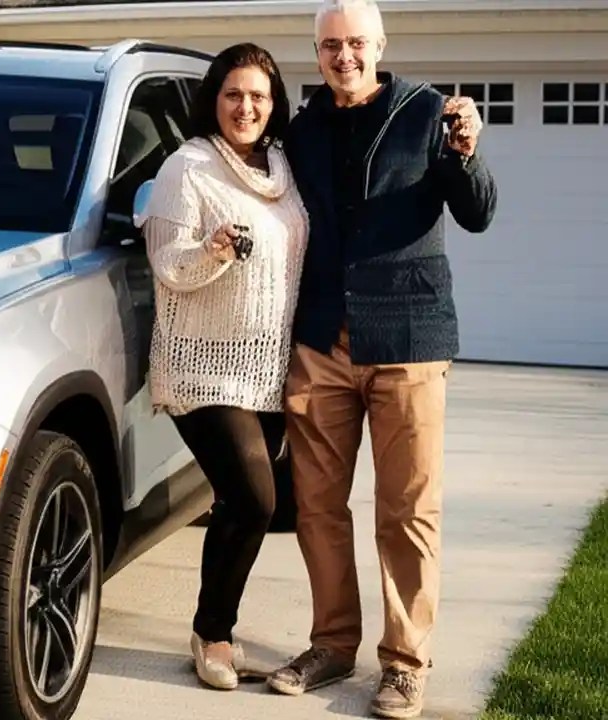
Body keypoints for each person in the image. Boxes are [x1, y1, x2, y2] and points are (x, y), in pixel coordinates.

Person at [265, 1, 498, 717]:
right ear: (317, 52)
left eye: (356, 43)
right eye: (331, 45)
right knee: (316, 508)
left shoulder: (430, 113)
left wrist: (467, 153)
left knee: (407, 511)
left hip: (407, 340)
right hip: (323, 340)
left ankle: (404, 662)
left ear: (380, 45)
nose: (345, 56)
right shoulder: (299, 132)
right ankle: (334, 645)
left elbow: (479, 211)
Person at [135, 43, 308, 691]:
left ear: (274, 104)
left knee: (247, 506)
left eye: (259, 96)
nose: (246, 106)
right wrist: (210, 252)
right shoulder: (190, 166)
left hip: (266, 370)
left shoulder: (285, 169)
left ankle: (219, 633)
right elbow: (169, 265)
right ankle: (211, 635)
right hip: (201, 368)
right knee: (254, 498)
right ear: (214, 98)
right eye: (234, 94)